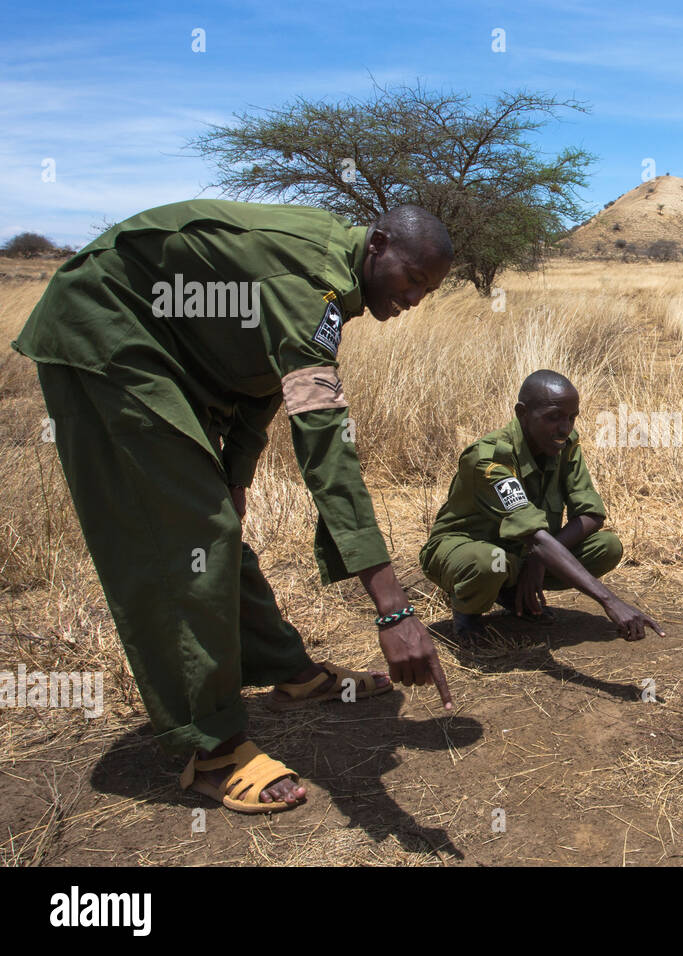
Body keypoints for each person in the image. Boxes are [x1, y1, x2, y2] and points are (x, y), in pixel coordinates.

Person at [12, 199, 456, 814]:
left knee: (213, 523)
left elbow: (258, 375)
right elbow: (327, 450)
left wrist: (239, 473)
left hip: (173, 353)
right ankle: (212, 748)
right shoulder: (310, 287)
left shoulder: (334, 282)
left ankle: (289, 673)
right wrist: (392, 608)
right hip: (108, 329)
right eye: (412, 280)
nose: (413, 300)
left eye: (427, 291)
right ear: (377, 244)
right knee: (183, 532)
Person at [420, 370, 664, 642]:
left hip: (522, 550)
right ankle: (468, 613)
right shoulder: (490, 458)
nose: (565, 428)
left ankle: (512, 594)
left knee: (606, 547)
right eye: (553, 417)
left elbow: (591, 514)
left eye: (572, 417)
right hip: (466, 550)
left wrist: (537, 559)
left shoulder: (565, 445)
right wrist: (609, 600)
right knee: (491, 562)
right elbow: (533, 536)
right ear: (522, 413)